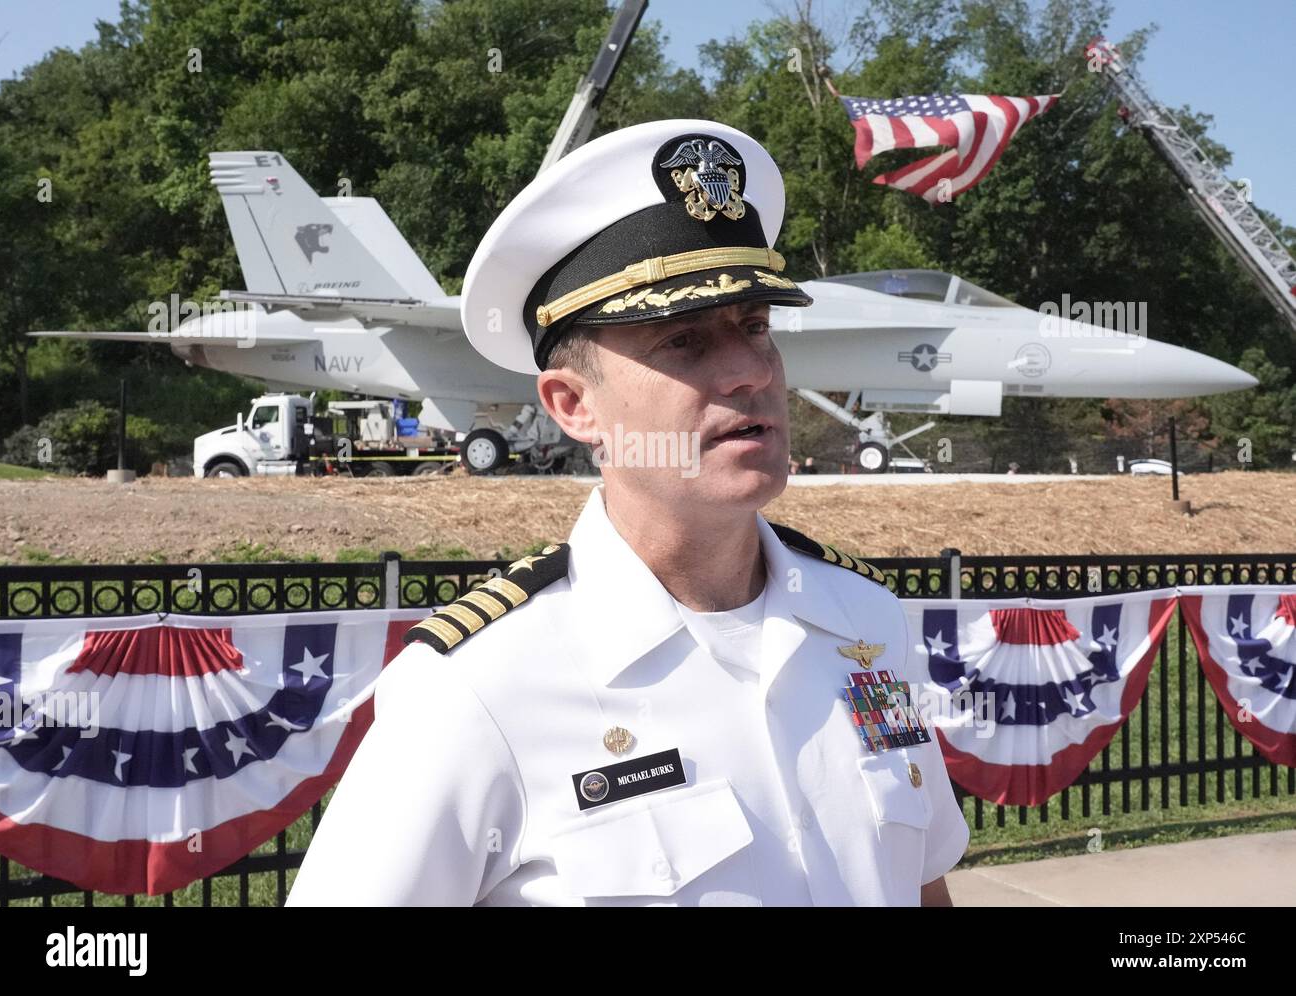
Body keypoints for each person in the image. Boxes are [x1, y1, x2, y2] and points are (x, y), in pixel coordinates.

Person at [287, 119, 969, 907]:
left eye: (755, 326)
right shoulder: (478, 688)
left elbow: (920, 886)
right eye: (684, 342)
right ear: (574, 405)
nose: (751, 370)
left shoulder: (867, 621)